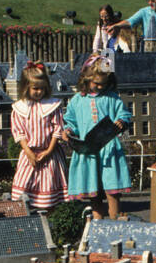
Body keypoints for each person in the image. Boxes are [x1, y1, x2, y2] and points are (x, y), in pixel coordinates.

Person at [63, 55, 132, 220]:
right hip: (88, 149)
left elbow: (124, 113)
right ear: (86, 79)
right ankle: (97, 223)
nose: (100, 87)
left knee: (112, 189)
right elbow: (70, 120)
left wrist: (121, 121)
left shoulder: (112, 98)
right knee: (93, 191)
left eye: (104, 83)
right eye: (96, 83)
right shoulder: (77, 101)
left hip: (109, 148)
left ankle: (116, 221)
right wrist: (69, 132)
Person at [9, 61, 67, 210]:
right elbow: (19, 133)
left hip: (50, 155)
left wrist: (49, 151)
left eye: (42, 88)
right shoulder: (20, 108)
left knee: (49, 190)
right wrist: (28, 152)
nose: (39, 92)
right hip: (30, 154)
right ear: (26, 87)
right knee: (23, 189)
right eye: (35, 88)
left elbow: (57, 130)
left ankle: (49, 219)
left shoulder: (52, 106)